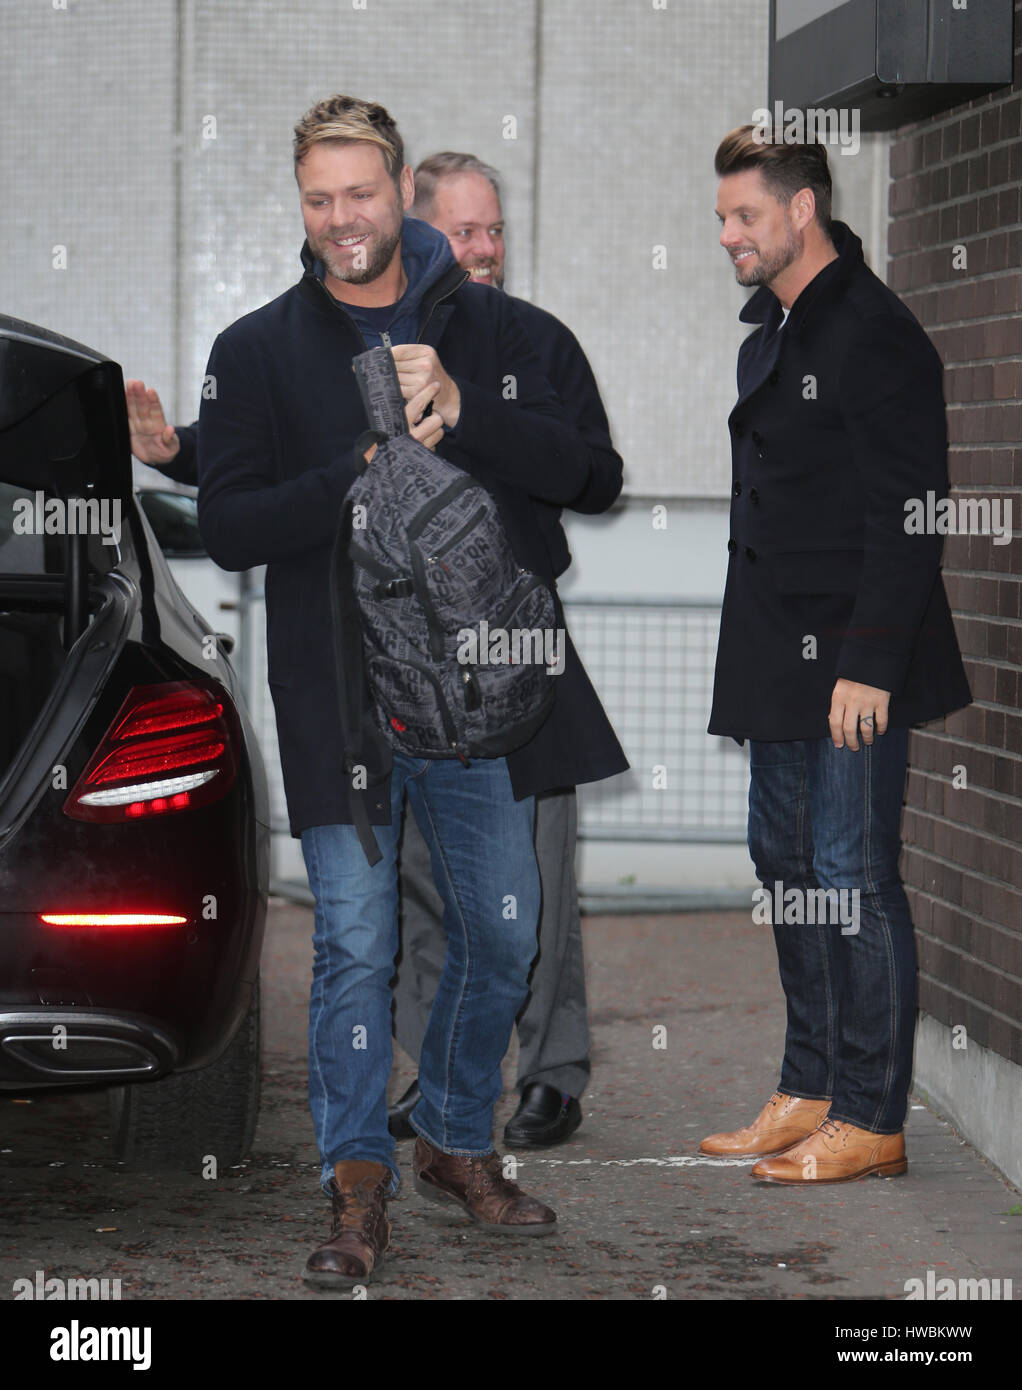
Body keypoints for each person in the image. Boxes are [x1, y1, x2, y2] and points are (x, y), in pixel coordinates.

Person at [194, 94, 627, 1286]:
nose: (343, 218)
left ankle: (447, 1135)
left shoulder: (501, 334)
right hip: (341, 703)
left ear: (402, 197)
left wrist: (464, 414)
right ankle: (356, 1185)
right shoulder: (257, 351)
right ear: (303, 207)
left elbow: (592, 475)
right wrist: (355, 471)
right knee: (354, 945)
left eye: (362, 193)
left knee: (503, 941)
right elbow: (228, 523)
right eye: (320, 198)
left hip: (484, 705)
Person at [702, 126, 970, 1183]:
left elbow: (909, 511)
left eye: (743, 216)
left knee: (853, 878)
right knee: (787, 867)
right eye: (721, 217)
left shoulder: (874, 331)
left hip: (854, 658)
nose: (726, 234)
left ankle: (870, 1115)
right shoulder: (770, 328)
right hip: (775, 656)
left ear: (800, 209)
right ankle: (808, 1085)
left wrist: (865, 661)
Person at [386, 152, 622, 1149]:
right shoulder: (378, 344)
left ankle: (552, 1075)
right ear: (419, 234)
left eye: (494, 229)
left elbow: (594, 475)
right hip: (406, 656)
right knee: (425, 880)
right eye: (464, 230)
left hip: (522, 647)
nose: (484, 247)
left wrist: (474, 411)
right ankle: (445, 1079)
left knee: (534, 878)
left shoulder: (537, 342)